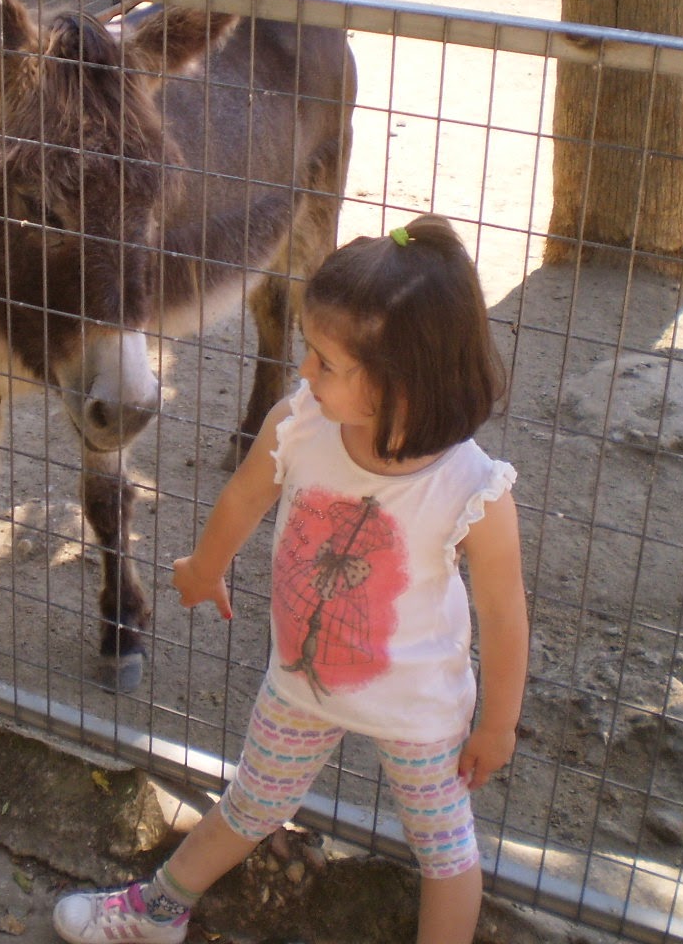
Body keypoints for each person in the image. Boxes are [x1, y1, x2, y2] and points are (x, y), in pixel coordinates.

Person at [54, 215, 529, 944]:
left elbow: (503, 616)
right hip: (302, 683)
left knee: (446, 852)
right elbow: (246, 494)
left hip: (421, 710)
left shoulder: (472, 489)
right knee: (249, 801)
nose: (303, 372)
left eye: (326, 362)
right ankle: (159, 909)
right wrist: (205, 567)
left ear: (400, 383)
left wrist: (496, 725)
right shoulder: (299, 423)